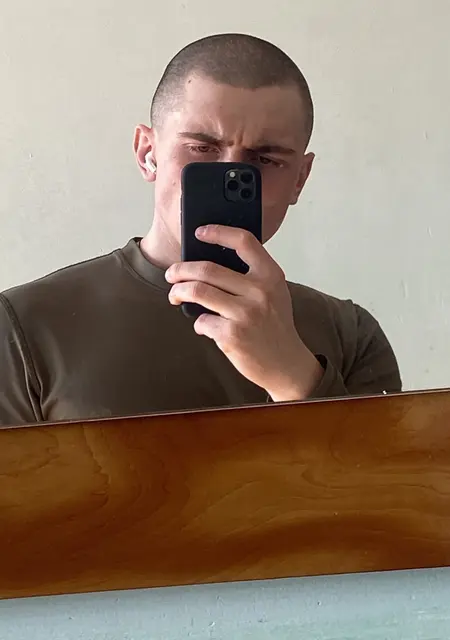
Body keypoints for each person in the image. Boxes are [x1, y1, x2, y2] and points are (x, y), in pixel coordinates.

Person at [0, 33, 401, 427]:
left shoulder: (350, 334)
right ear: (147, 153)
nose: (229, 175)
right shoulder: (24, 325)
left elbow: (389, 472)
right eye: (201, 148)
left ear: (300, 178)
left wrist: (295, 378)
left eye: (265, 159)